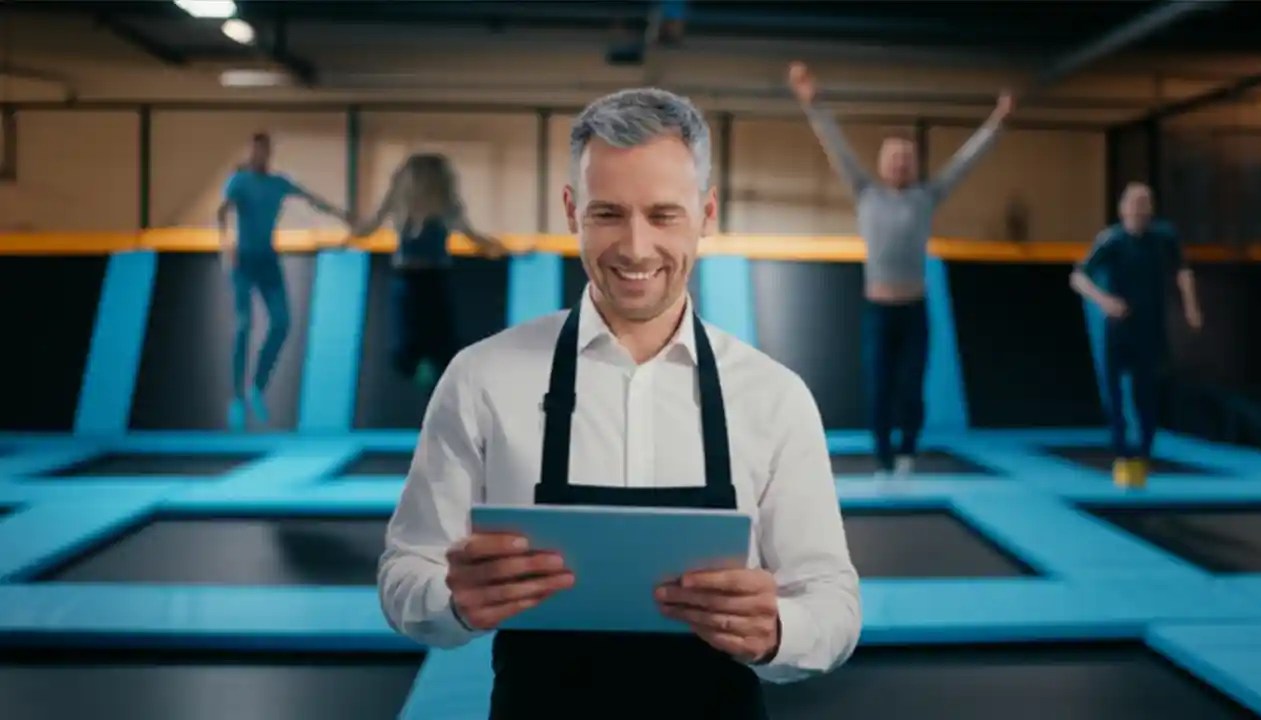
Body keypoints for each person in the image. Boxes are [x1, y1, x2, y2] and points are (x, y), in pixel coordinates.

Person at [378, 88, 861, 718]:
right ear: (572, 210)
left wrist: (777, 633)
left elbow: (832, 601)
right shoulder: (481, 379)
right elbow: (404, 573)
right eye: (609, 214)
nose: (636, 248)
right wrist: (453, 601)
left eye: (663, 215)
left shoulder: (775, 397)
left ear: (707, 213)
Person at [788, 61, 1014, 480]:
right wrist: (813, 103)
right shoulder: (865, 192)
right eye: (894, 158)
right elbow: (835, 145)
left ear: (913, 165)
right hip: (878, 309)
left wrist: (997, 121)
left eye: (907, 159)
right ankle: (883, 458)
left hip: (914, 309)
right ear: (881, 163)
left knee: (911, 388)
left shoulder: (928, 195)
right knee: (879, 388)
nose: (900, 164)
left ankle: (907, 451)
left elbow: (966, 160)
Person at [1070, 182, 1203, 486]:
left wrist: (1191, 307)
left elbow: (1183, 272)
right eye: (1133, 205)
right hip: (1119, 327)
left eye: (1144, 205)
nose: (1139, 212)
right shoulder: (1111, 240)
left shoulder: (1164, 237)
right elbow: (1078, 277)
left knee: (1146, 392)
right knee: (1115, 393)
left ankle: (1142, 453)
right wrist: (1104, 300)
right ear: (1123, 209)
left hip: (1150, 327)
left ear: (1151, 210)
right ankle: (1121, 453)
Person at [216, 132, 349, 430]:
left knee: (282, 322)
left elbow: (312, 199)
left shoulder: (278, 183)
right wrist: (226, 246)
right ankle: (237, 397)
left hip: (267, 260)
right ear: (251, 153)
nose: (259, 157)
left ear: (268, 154)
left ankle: (257, 386)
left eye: (264, 152)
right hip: (244, 260)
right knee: (243, 324)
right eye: (256, 152)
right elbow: (222, 212)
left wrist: (342, 214)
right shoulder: (238, 182)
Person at [347, 153, 508, 393]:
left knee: (427, 344)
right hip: (420, 278)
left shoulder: (441, 205)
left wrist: (498, 248)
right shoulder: (405, 204)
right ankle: (428, 372)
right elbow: (369, 227)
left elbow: (471, 235)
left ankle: (432, 376)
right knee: (417, 345)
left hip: (422, 278)